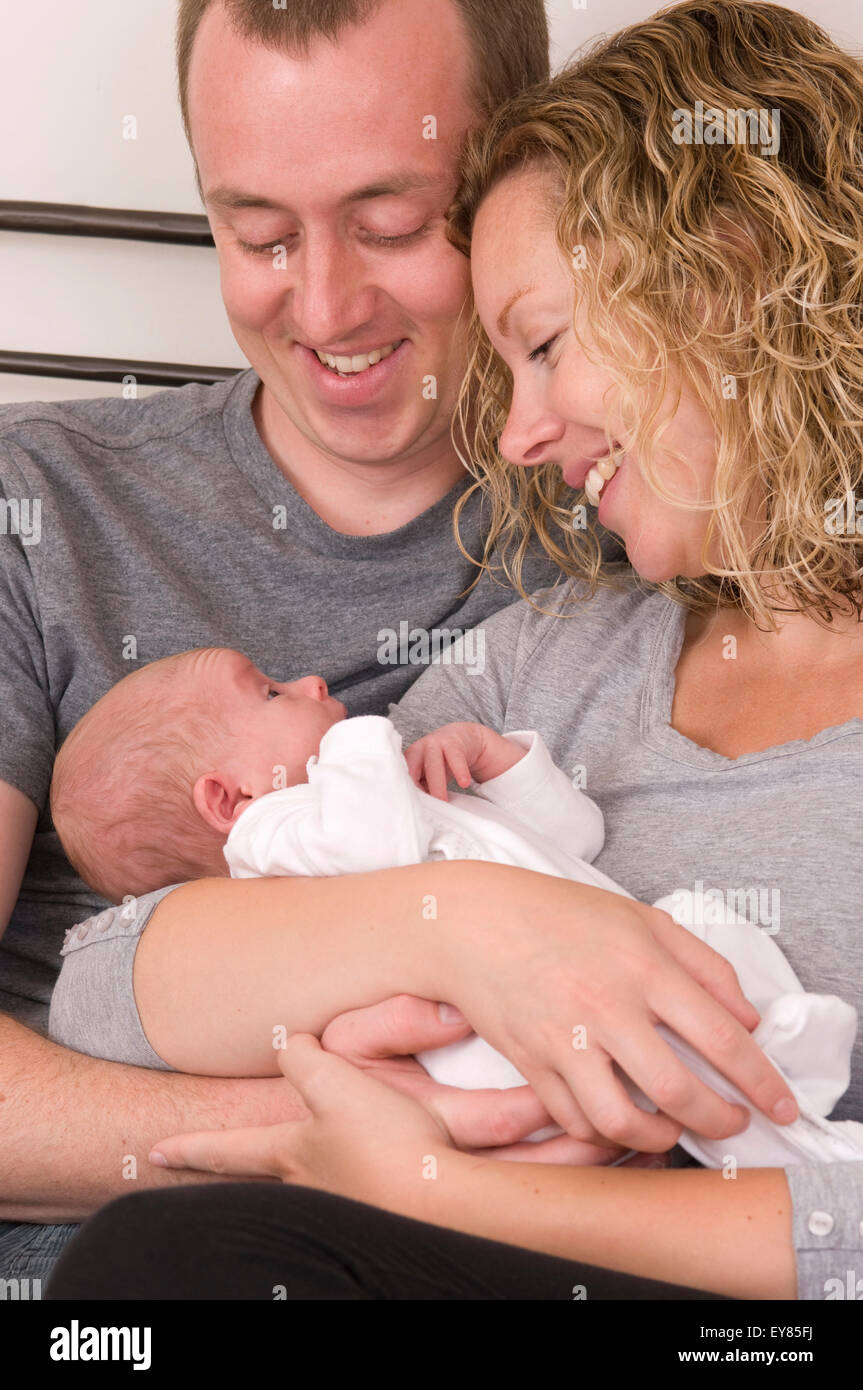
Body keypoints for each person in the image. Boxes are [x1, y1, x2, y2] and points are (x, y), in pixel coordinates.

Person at [47, 0, 863, 1302]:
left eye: (542, 347)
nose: (522, 435)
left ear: (722, 271)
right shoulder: (550, 656)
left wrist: (441, 1180)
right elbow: (105, 975)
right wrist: (471, 929)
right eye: (255, 229)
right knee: (163, 1271)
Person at [0, 0, 575, 1286]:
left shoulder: (634, 523)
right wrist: (351, 1140)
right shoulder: (35, 508)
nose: (323, 305)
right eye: (256, 232)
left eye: (391, 223)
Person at [48, 643, 863, 1169]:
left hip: (596, 983)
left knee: (695, 921)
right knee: (679, 1052)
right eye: (269, 692)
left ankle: (780, 1066)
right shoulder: (275, 839)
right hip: (505, 1045)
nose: (311, 681)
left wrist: (500, 766)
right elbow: (377, 849)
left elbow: (575, 840)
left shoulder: (371, 791)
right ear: (227, 798)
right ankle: (792, 1140)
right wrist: (355, 739)